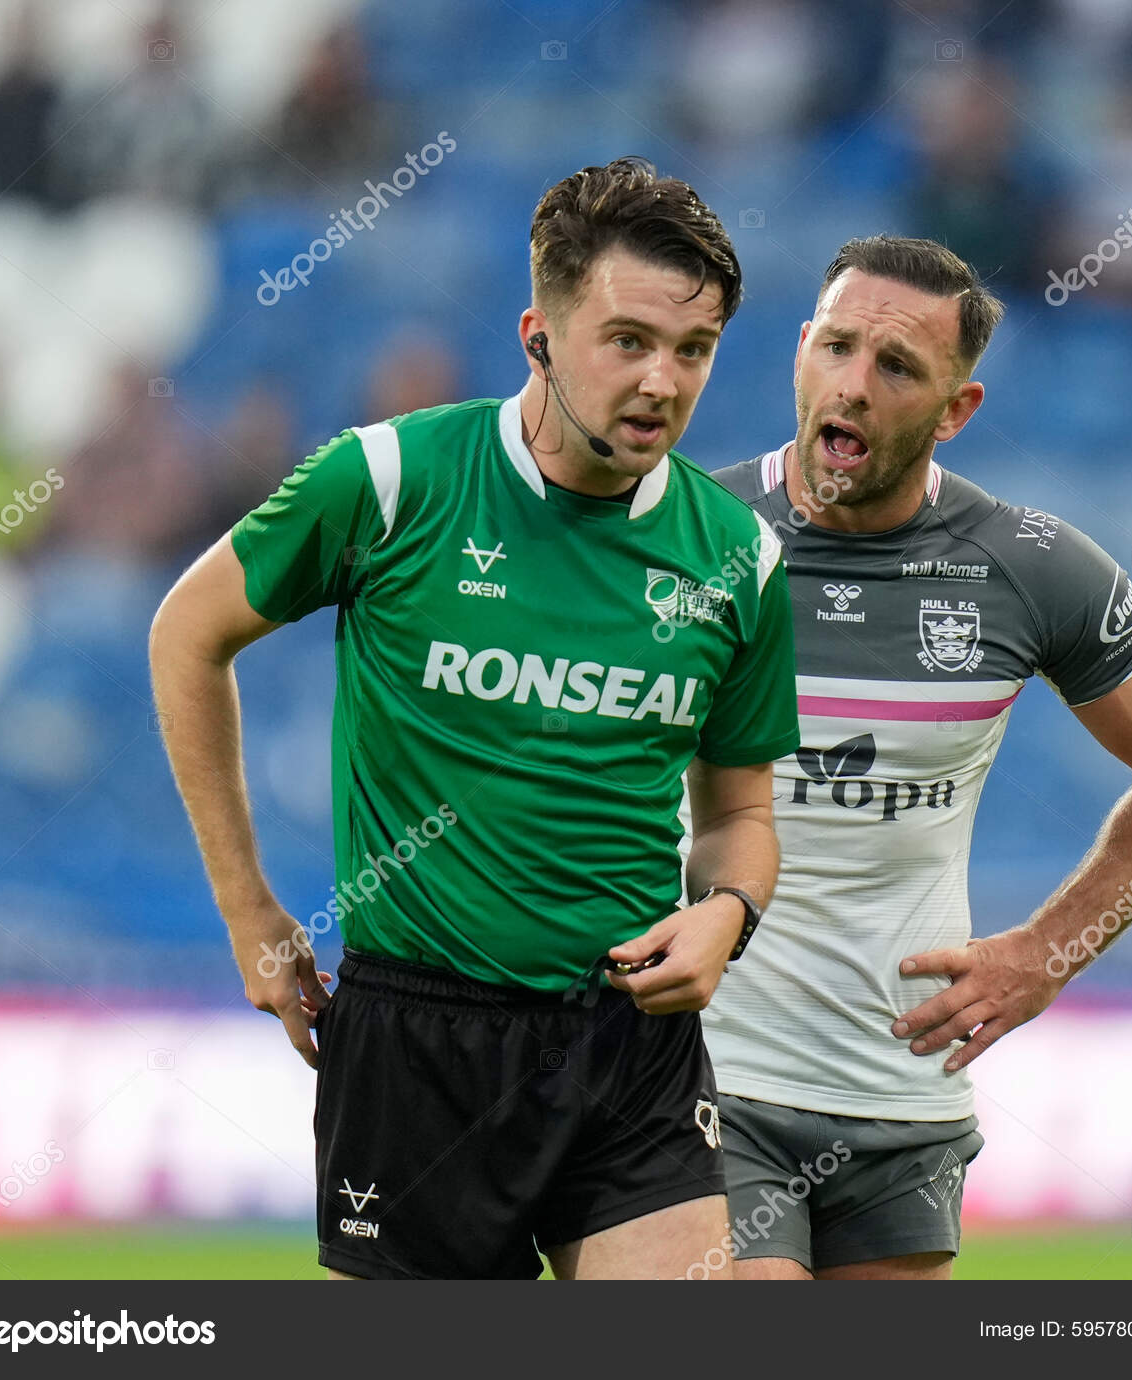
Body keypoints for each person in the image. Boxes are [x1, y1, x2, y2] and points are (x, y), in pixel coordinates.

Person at [149, 159, 801, 1280]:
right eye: (628, 339)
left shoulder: (738, 557)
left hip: (627, 1042)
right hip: (418, 1043)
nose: (662, 380)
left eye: (693, 351)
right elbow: (186, 635)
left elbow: (740, 812)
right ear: (537, 335)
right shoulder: (393, 480)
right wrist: (247, 906)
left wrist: (725, 913)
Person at [702, 235, 1132, 1280]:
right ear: (798, 356)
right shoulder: (687, 535)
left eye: (897, 367)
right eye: (836, 348)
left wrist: (1046, 951)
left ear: (957, 410)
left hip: (906, 1094)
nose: (853, 387)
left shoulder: (1027, 569)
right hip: (707, 1080)